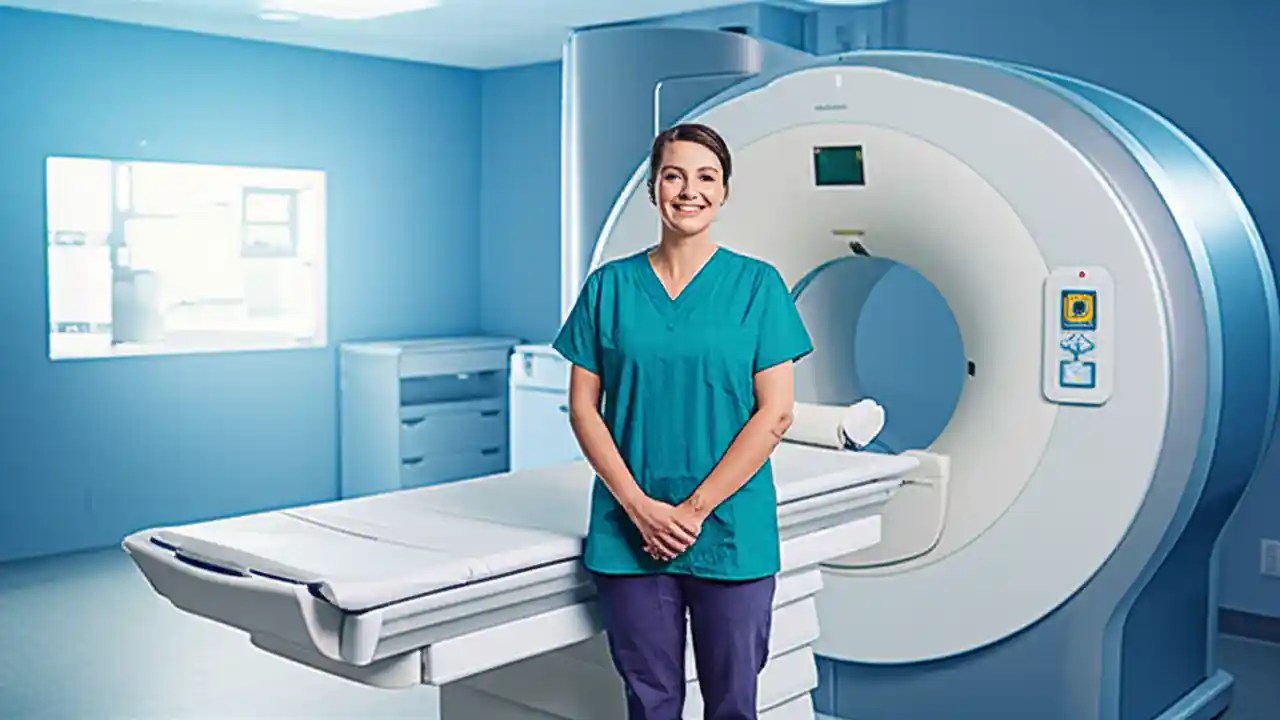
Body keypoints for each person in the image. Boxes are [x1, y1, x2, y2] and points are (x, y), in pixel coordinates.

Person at [552, 122, 814, 720]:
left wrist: (693, 511)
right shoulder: (609, 288)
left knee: (733, 706)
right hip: (629, 531)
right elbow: (583, 408)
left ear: (724, 192)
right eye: (674, 176)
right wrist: (640, 509)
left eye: (706, 177)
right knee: (650, 704)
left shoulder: (757, 286)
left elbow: (776, 413)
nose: (689, 190)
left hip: (731, 532)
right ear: (654, 188)